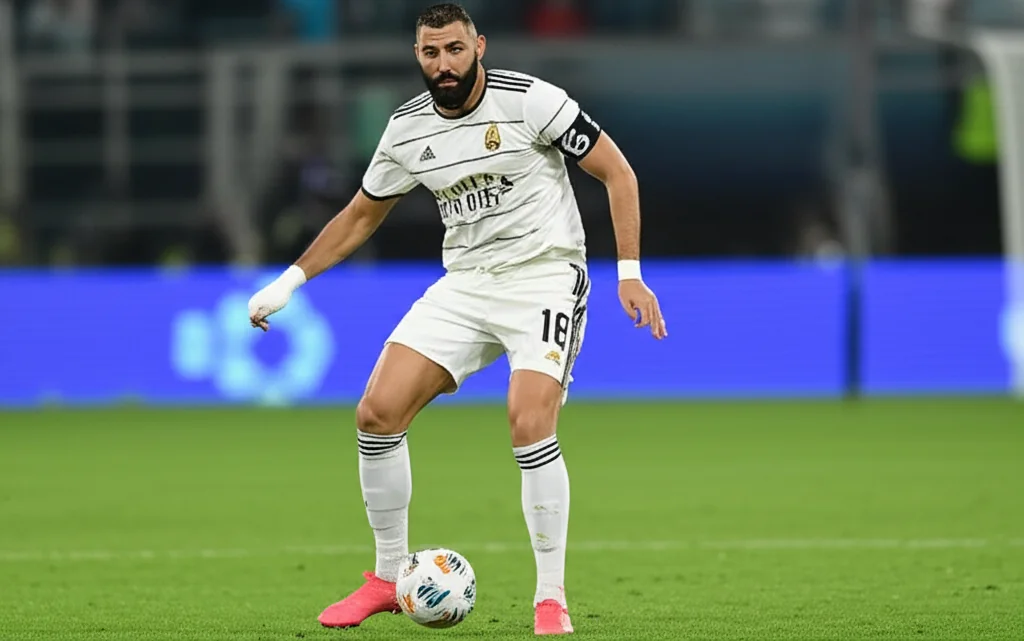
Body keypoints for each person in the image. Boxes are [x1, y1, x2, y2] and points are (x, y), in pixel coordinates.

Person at [247, 3, 667, 635]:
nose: (442, 64)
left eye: (453, 49)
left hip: (545, 276)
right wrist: (290, 280)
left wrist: (628, 273)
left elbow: (617, 170)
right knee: (376, 413)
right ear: (417, 57)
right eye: (429, 53)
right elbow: (362, 214)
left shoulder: (532, 102)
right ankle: (389, 579)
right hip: (466, 284)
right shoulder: (407, 130)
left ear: (479, 47)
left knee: (529, 422)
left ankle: (549, 598)